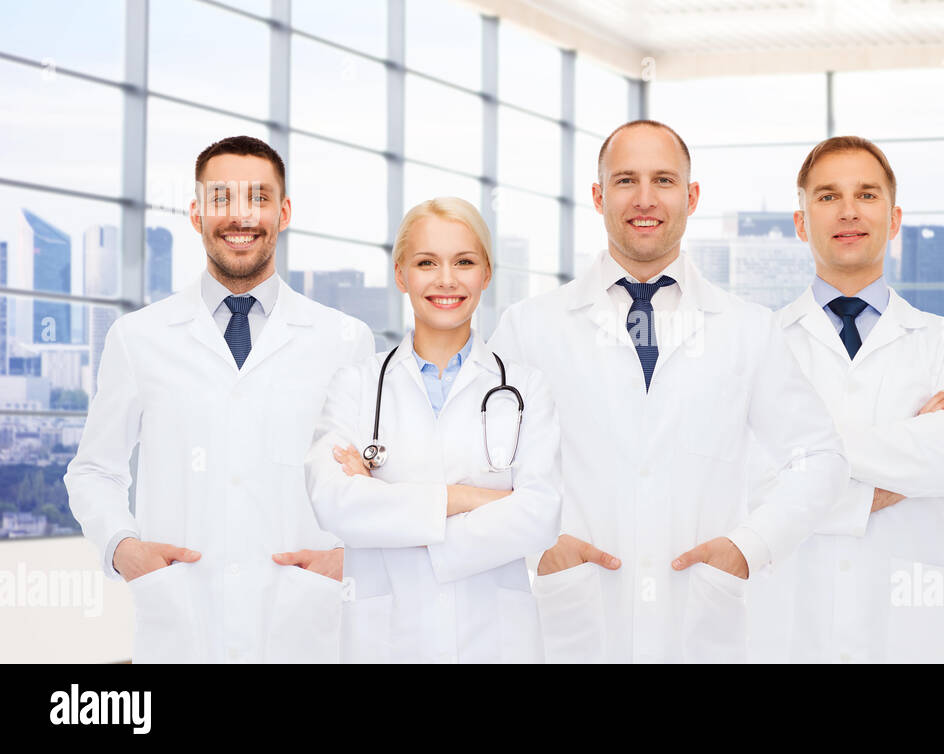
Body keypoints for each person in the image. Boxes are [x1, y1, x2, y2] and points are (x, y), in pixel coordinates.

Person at [488, 119, 849, 663]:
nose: (645, 199)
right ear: (598, 195)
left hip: (701, 618)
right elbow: (485, 465)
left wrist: (748, 548)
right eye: (626, 180)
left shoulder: (746, 328)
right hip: (573, 614)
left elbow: (820, 457)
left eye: (663, 180)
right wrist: (540, 546)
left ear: (691, 195)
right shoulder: (530, 326)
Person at [65, 135, 375, 663]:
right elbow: (94, 470)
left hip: (305, 629)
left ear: (284, 211)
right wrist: (124, 549)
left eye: (257, 197)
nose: (240, 216)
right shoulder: (139, 337)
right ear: (196, 212)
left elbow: (375, 482)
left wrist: (349, 561)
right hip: (182, 631)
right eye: (221, 199)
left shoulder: (344, 339)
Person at [746, 136, 944, 663]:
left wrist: (807, 460)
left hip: (906, 630)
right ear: (801, 221)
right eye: (827, 195)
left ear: (895, 217)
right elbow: (746, 482)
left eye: (867, 194)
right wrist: (911, 467)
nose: (849, 211)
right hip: (789, 622)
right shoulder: (755, 344)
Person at [304, 198, 561, 663]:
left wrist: (389, 511)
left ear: (486, 274)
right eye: (427, 263)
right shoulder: (357, 385)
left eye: (464, 262)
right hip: (386, 643)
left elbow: (541, 516)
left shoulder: (525, 388)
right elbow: (334, 503)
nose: (446, 279)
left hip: (497, 643)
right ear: (401, 274)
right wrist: (471, 499)